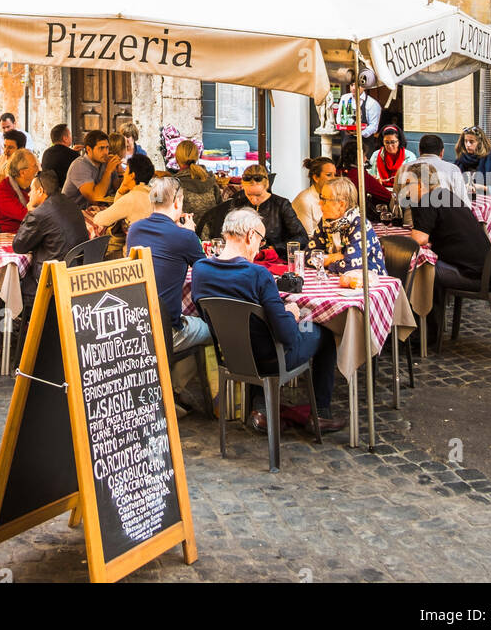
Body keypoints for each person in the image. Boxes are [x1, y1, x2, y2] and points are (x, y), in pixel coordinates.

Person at [191, 207, 345, 435]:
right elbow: (288, 336)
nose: (260, 247)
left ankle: (261, 410)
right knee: (322, 333)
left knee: (255, 333)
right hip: (270, 360)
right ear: (251, 236)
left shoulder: (200, 270)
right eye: (261, 241)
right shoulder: (258, 274)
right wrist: (291, 314)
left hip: (230, 356)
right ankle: (320, 413)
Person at [401, 163, 491, 333]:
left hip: (472, 274)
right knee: (426, 267)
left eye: (409, 183)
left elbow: (419, 239)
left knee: (422, 270)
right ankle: (429, 329)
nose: (406, 189)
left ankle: (423, 332)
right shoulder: (445, 195)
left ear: (421, 185)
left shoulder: (427, 200)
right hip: (486, 268)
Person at [126, 176, 211, 354]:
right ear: (177, 201)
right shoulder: (184, 237)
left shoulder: (134, 229)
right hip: (166, 331)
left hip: (136, 326)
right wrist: (191, 235)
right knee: (215, 328)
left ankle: (182, 379)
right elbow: (209, 273)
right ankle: (197, 381)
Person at [13, 170, 87, 304]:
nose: (29, 194)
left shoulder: (39, 214)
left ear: (40, 191)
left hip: (52, 280)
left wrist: (29, 211)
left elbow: (18, 245)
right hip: (79, 275)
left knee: (14, 285)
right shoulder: (70, 204)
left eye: (31, 190)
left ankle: (13, 323)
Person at [218, 163, 308, 260]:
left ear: (267, 186)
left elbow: (302, 238)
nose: (253, 199)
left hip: (275, 259)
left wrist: (275, 248)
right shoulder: (239, 203)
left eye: (258, 195)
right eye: (249, 194)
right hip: (243, 258)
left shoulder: (281, 204)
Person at [307, 176, 387, 277]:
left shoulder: (359, 225)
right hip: (338, 282)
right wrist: (334, 257)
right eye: (320, 197)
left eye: (324, 199)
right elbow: (308, 256)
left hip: (370, 285)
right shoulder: (326, 223)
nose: (319, 203)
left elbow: (350, 267)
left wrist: (324, 262)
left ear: (341, 204)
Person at [93, 153, 155, 255]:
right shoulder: (154, 194)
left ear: (132, 175)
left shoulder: (132, 198)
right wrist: (121, 190)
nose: (124, 174)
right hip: (155, 251)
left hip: (136, 258)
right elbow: (118, 208)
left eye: (126, 171)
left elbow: (100, 220)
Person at [173, 139, 226, 238]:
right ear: (197, 157)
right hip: (214, 237)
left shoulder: (175, 184)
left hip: (187, 238)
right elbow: (221, 208)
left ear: (176, 159)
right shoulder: (210, 179)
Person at [62, 130, 122, 214]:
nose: (106, 152)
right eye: (101, 148)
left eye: (107, 148)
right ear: (89, 149)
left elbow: (119, 190)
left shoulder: (105, 163)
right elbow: (95, 198)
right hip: (74, 214)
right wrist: (108, 171)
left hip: (97, 211)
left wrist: (119, 171)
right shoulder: (80, 165)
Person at [337, 140, 391, 218]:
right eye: (364, 155)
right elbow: (387, 196)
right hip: (355, 216)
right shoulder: (360, 174)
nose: (366, 159)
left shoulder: (338, 171)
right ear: (357, 157)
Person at [416, 133, 473, 207]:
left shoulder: (404, 168)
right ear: (442, 152)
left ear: (419, 151)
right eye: (465, 141)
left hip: (409, 217)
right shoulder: (452, 169)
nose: (468, 145)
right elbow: (464, 203)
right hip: (443, 217)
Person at [0, 148, 39, 235]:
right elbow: (26, 215)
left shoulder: (32, 186)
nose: (37, 169)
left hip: (31, 234)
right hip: (13, 238)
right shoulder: (4, 189)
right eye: (34, 166)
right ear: (23, 173)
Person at [292, 156, 336, 239]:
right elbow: (306, 237)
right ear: (316, 178)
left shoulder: (334, 197)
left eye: (335, 175)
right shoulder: (305, 200)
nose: (334, 179)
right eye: (329, 175)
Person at [369, 125, 415, 190]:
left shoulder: (409, 157)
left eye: (393, 142)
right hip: (382, 191)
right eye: (387, 142)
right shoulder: (376, 155)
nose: (390, 146)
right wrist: (375, 179)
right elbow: (372, 175)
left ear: (399, 141)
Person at [454, 125, 491, 192]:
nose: (468, 145)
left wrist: (482, 188)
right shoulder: (460, 160)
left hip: (485, 200)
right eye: (465, 141)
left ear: (480, 143)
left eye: (471, 142)